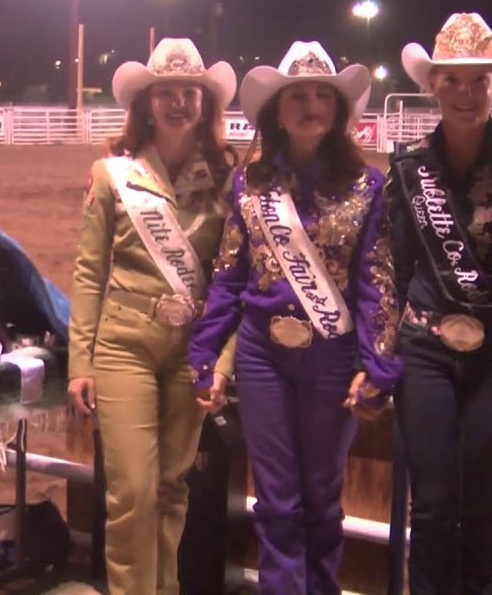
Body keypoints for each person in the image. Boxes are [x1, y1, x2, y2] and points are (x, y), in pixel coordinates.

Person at [189, 41, 398, 593]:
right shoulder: (249, 185)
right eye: (297, 96)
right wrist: (206, 352)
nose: (310, 105)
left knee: (323, 497)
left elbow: (376, 282)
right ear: (276, 113)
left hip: (333, 358)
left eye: (321, 95)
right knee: (277, 499)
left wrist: (377, 364)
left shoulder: (369, 187)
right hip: (261, 357)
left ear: (338, 110)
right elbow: (230, 276)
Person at [68, 37, 237, 595]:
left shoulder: (228, 178)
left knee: (171, 488)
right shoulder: (112, 173)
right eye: (166, 92)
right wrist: (80, 360)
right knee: (132, 493)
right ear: (146, 102)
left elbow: (234, 277)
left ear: (204, 102)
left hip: (192, 349)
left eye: (189, 91)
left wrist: (222, 359)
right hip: (124, 345)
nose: (178, 102)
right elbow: (89, 273)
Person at [389, 14, 492, 594]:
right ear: (433, 86)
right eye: (452, 79)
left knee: (484, 508)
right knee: (432, 506)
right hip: (423, 349)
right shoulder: (407, 167)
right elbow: (396, 269)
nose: (466, 92)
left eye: (480, 79)